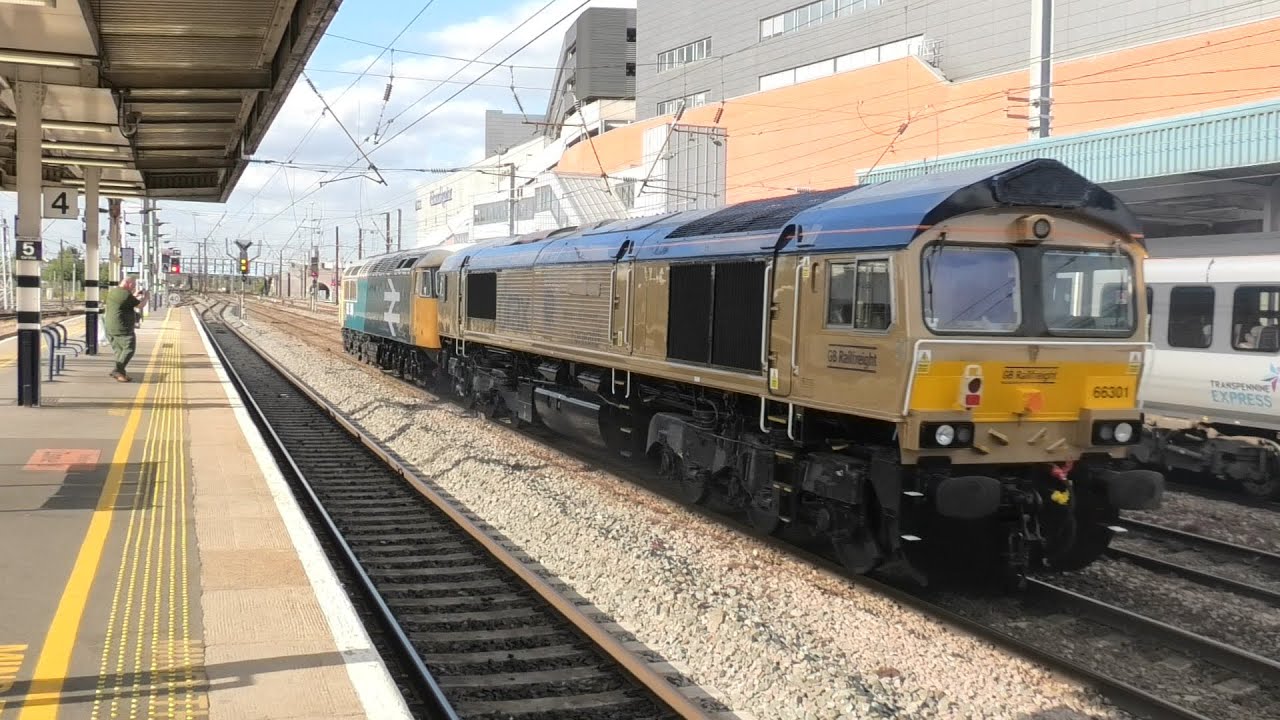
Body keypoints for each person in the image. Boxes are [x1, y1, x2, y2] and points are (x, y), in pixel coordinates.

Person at [102, 278, 149, 382]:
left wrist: (135, 295)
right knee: (129, 349)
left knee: (119, 351)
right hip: (122, 328)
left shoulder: (114, 292)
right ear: (128, 284)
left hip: (110, 327)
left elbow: (124, 301)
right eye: (133, 285)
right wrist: (146, 297)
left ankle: (121, 375)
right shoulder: (126, 295)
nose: (134, 287)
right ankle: (117, 371)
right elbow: (140, 305)